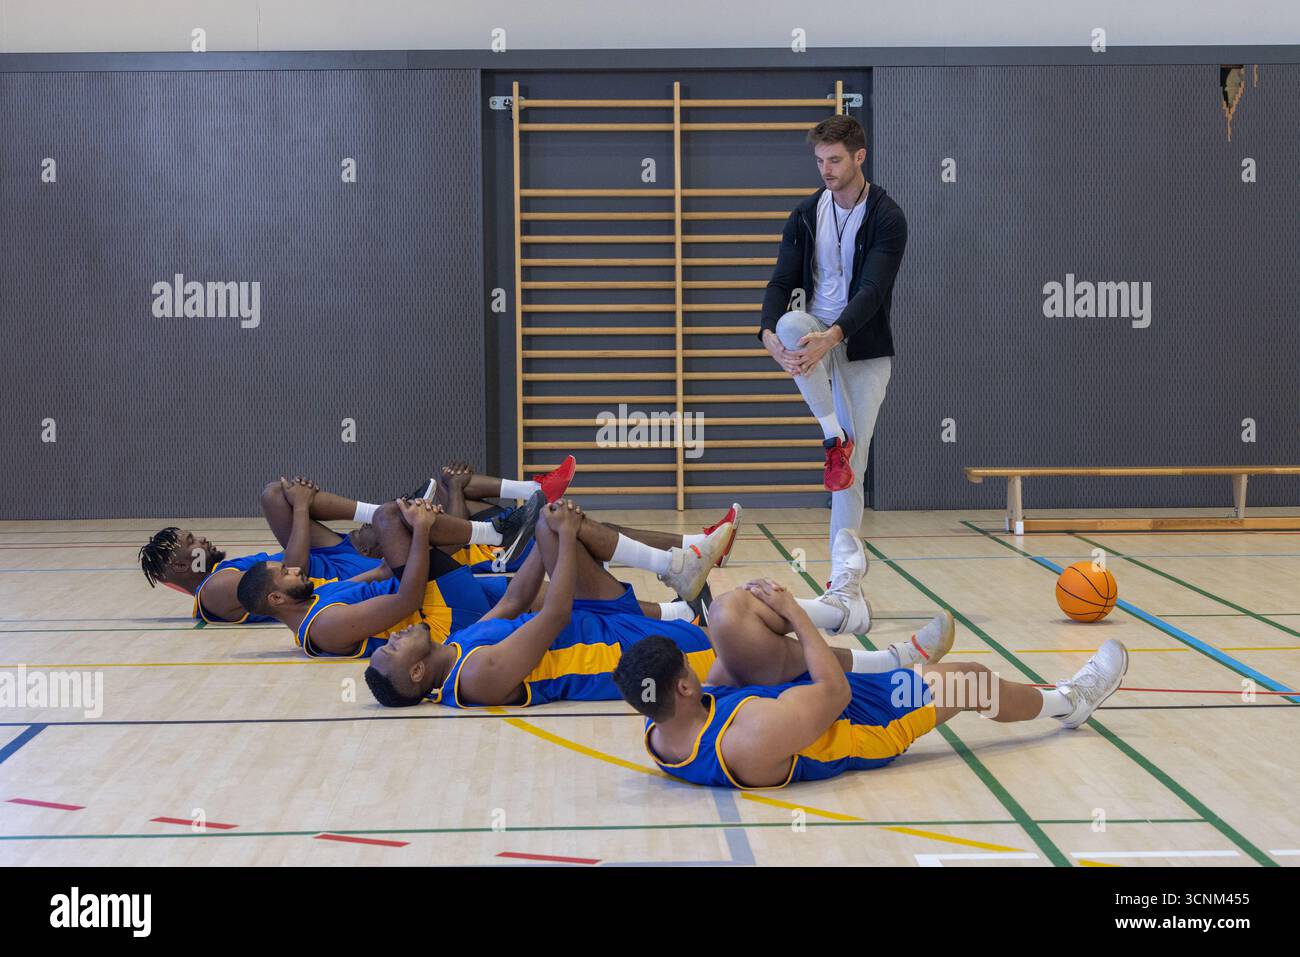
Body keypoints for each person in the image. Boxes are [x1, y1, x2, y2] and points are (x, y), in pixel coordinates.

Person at [613, 577, 1129, 790]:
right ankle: (1070, 701)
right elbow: (835, 691)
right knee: (971, 681)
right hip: (862, 717)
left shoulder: (663, 731)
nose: (697, 669)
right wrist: (793, 612)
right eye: (689, 669)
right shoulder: (748, 736)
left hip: (796, 703)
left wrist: (743, 632)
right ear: (683, 688)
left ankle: (852, 611)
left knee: (731, 616)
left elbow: (727, 673)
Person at [759, 114, 907, 552]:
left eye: (835, 160)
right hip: (815, 329)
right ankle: (832, 435)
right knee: (789, 324)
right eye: (820, 160)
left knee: (851, 474)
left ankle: (843, 574)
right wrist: (766, 335)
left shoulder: (887, 216)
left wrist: (834, 337)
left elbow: (873, 290)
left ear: (860, 157)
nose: (826, 169)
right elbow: (780, 282)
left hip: (863, 345)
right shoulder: (806, 214)